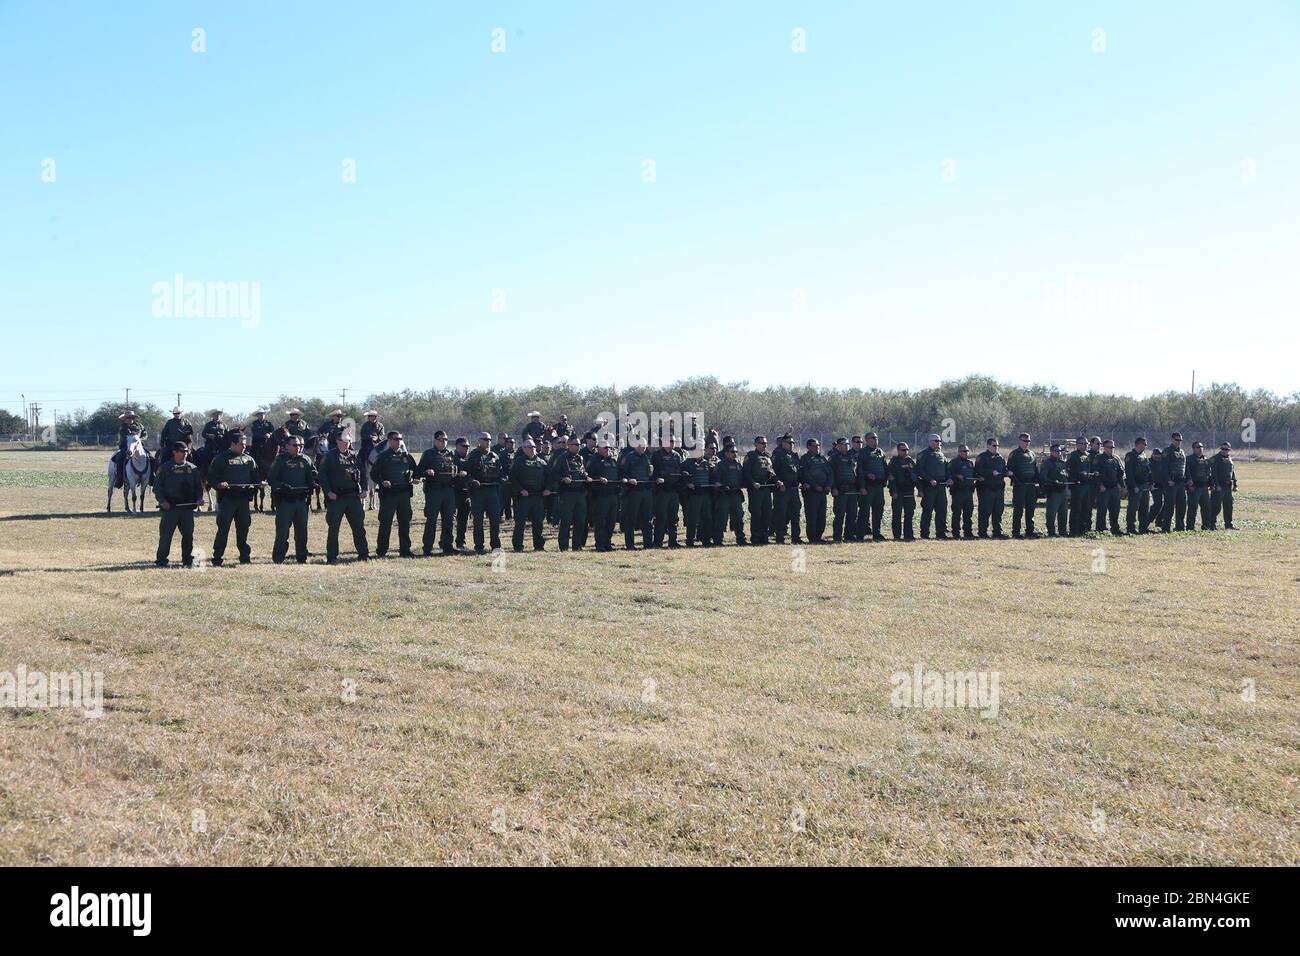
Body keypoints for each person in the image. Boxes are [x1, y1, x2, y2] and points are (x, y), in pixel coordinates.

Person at [207, 430, 263, 565]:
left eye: (245, 444)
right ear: (232, 444)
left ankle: (245, 557)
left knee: (244, 529)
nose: (244, 446)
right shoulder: (221, 458)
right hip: (227, 500)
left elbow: (255, 477)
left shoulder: (249, 459)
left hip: (243, 500)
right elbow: (211, 477)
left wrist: (259, 484)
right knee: (223, 530)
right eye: (241, 444)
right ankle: (217, 558)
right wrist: (219, 484)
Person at [320, 433, 370, 563]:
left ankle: (363, 554)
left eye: (348, 441)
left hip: (353, 496)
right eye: (343, 441)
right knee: (334, 528)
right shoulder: (329, 456)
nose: (346, 443)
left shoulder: (354, 455)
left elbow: (363, 473)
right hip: (337, 497)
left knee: (359, 526)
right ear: (337, 441)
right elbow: (322, 476)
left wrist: (365, 489)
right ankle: (332, 556)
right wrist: (328, 492)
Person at [153, 440, 204, 567]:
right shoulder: (165, 468)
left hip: (187, 508)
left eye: (187, 451)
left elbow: (199, 487)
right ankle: (161, 560)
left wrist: (199, 499)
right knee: (166, 535)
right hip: (170, 508)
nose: (185, 454)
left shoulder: (193, 469)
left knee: (188, 535)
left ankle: (187, 559)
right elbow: (157, 487)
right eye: (182, 451)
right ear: (174, 452)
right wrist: (163, 501)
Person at [268, 434, 317, 563]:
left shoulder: (306, 459)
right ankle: (279, 557)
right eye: (295, 445)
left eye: (301, 445)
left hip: (302, 501)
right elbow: (271, 479)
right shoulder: (280, 460)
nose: (298, 448)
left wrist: (314, 482)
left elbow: (313, 474)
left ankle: (302, 557)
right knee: (283, 532)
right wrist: (282, 486)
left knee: (302, 531)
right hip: (286, 501)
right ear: (287, 446)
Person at [371, 431, 417, 557]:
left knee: (405, 522)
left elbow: (417, 470)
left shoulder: (406, 456)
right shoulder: (382, 456)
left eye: (400, 439)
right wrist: (382, 481)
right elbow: (373, 474)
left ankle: (405, 550)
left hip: (404, 494)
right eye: (396, 439)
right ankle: (381, 550)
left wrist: (415, 478)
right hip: (389, 495)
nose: (398, 441)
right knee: (385, 523)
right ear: (389, 441)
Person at [416, 431, 460, 556]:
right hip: (434, 490)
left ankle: (447, 546)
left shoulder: (451, 454)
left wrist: (460, 473)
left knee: (449, 520)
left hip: (449, 490)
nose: (444, 442)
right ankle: (428, 548)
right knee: (432, 520)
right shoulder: (429, 454)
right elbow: (418, 471)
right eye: (441, 439)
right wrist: (426, 471)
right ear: (435, 440)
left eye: (445, 439)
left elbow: (459, 467)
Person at [465, 432, 504, 553]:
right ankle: (479, 546)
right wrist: (472, 481)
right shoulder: (473, 455)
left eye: (490, 439)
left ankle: (495, 545)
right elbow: (466, 474)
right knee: (478, 521)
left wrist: (503, 479)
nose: (488, 442)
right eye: (485, 439)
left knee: (495, 519)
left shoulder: (495, 456)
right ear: (479, 441)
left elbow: (500, 473)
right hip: (478, 492)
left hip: (492, 491)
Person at [510, 438, 550, 551]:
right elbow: (512, 479)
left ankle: (539, 546)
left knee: (538, 522)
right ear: (523, 449)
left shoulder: (542, 462)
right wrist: (520, 490)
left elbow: (549, 478)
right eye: (529, 447)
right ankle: (518, 546)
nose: (532, 449)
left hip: (538, 497)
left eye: (533, 447)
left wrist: (547, 489)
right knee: (520, 523)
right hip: (523, 498)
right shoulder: (518, 462)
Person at [551, 435, 590, 551]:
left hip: (580, 493)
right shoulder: (562, 458)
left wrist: (587, 477)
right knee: (566, 521)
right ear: (569, 445)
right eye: (576, 445)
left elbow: (583, 471)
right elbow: (553, 474)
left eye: (579, 445)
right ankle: (563, 546)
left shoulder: (580, 458)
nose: (579, 447)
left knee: (580, 520)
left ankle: (577, 545)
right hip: (567, 493)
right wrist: (563, 478)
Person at [742, 436, 779, 545]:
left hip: (766, 489)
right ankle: (755, 538)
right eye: (762, 443)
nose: (764, 445)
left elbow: (771, 471)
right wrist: (753, 483)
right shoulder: (751, 456)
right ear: (756, 444)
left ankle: (764, 537)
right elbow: (746, 472)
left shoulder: (768, 456)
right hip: (755, 490)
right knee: (757, 514)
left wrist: (777, 480)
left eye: (765, 443)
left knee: (767, 514)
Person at [587, 440, 622, 552]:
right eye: (605, 447)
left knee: (611, 521)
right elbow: (588, 477)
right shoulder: (594, 460)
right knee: (601, 521)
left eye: (609, 447)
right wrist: (598, 478)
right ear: (599, 448)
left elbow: (619, 473)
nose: (608, 449)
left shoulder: (613, 460)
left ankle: (608, 542)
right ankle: (600, 544)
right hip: (600, 495)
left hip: (613, 494)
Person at [651, 435, 686, 548]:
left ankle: (673, 541)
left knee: (673, 517)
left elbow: (679, 470)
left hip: (674, 490)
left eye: (674, 442)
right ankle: (658, 542)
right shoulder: (657, 455)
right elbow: (652, 471)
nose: (673, 443)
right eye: (671, 441)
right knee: (661, 517)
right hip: (662, 491)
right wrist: (656, 479)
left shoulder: (677, 456)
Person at [681, 440, 717, 547]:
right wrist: (688, 484)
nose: (700, 452)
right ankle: (690, 541)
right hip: (694, 496)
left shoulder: (707, 463)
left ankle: (706, 540)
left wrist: (715, 484)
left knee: (707, 518)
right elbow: (681, 477)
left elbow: (711, 477)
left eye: (701, 450)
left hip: (705, 495)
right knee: (692, 519)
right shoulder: (687, 463)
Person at [620, 437, 654, 550]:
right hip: (633, 492)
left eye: (644, 447)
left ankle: (648, 544)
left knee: (647, 519)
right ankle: (630, 545)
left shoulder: (646, 457)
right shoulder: (628, 457)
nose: (643, 449)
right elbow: (622, 473)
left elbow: (650, 472)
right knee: (631, 519)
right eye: (641, 447)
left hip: (645, 491)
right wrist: (629, 479)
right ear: (636, 446)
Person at [915, 434, 950, 540]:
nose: (938, 442)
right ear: (929, 442)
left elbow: (947, 469)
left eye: (939, 441)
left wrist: (949, 478)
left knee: (942, 510)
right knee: (928, 511)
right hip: (929, 487)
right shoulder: (923, 454)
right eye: (936, 441)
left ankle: (941, 533)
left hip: (941, 486)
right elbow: (920, 470)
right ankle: (925, 533)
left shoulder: (941, 454)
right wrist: (929, 479)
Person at [855, 432, 888, 542]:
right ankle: (860, 534)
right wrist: (862, 486)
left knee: (878, 511)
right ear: (867, 440)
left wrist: (887, 478)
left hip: (879, 486)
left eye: (876, 437)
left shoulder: (880, 452)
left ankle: (877, 533)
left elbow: (885, 467)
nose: (875, 439)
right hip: (868, 486)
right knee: (864, 511)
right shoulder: (863, 452)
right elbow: (859, 470)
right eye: (873, 438)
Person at [771, 434, 803, 545]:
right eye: (790, 443)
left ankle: (796, 537)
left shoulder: (794, 455)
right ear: (783, 443)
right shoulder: (778, 454)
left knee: (795, 513)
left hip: (794, 488)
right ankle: (780, 537)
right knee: (781, 513)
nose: (792, 445)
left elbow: (798, 471)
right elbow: (772, 471)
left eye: (793, 443)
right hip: (783, 489)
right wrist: (778, 482)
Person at [1006, 432, 1040, 538]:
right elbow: (1009, 470)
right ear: (1020, 441)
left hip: (1031, 486)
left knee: (1030, 509)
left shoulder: (1032, 454)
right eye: (1025, 441)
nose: (1027, 443)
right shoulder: (1014, 454)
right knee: (1018, 509)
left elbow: (1035, 468)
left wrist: (1037, 482)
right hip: (1020, 485)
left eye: (1028, 441)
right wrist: (1016, 480)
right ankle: (1016, 532)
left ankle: (1030, 531)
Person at [713, 440, 747, 546]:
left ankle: (741, 539)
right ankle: (718, 540)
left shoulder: (738, 465)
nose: (735, 454)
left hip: (736, 495)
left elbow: (743, 479)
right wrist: (722, 486)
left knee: (738, 519)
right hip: (724, 495)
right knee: (721, 519)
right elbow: (716, 480)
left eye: (736, 452)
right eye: (732, 452)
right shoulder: (720, 465)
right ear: (726, 453)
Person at [798, 439, 830, 544]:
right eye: (815, 446)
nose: (817, 447)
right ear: (808, 447)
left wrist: (828, 485)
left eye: (818, 445)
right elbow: (806, 474)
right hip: (811, 492)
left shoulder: (822, 458)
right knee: (812, 515)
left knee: (822, 515)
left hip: (822, 491)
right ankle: (812, 538)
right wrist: (815, 486)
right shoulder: (805, 459)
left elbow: (830, 472)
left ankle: (819, 536)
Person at [974, 438, 1007, 539]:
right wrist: (990, 472)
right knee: (985, 511)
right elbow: (978, 470)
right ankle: (982, 532)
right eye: (994, 445)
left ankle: (997, 532)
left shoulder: (1000, 458)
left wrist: (1007, 472)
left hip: (998, 488)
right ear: (988, 446)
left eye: (997, 446)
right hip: (986, 489)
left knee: (998, 511)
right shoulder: (982, 457)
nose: (996, 447)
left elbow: (1003, 469)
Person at [828, 437, 859, 543]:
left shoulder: (853, 457)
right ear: (838, 446)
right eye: (844, 444)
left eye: (847, 444)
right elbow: (831, 474)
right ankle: (837, 536)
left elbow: (857, 472)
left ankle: (849, 535)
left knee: (852, 514)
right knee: (840, 514)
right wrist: (834, 488)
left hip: (852, 489)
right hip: (841, 490)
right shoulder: (834, 458)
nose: (847, 446)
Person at [1093, 439, 1126, 535]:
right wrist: (1100, 485)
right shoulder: (1098, 458)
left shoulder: (1115, 459)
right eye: (1109, 447)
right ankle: (1100, 529)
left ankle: (1115, 528)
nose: (1111, 449)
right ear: (1104, 447)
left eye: (1113, 447)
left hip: (1114, 487)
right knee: (1102, 509)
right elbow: (1095, 474)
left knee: (1115, 509)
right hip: (1104, 488)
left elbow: (1120, 474)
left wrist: (1123, 486)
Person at [887, 443, 918, 541]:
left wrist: (920, 489)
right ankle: (897, 536)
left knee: (909, 514)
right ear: (898, 450)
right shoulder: (894, 461)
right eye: (903, 450)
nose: (905, 452)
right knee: (897, 514)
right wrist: (893, 492)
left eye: (907, 449)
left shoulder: (910, 461)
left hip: (909, 491)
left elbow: (916, 476)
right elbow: (891, 478)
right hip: (898, 491)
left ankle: (908, 535)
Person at [1039, 444, 1071, 538]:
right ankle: (1051, 532)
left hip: (1063, 491)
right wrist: (1053, 482)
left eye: (1060, 450)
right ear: (1052, 452)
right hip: (1053, 491)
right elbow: (1043, 477)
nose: (1059, 452)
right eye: (1057, 451)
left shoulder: (1062, 463)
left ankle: (1062, 531)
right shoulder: (1047, 463)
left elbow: (1066, 475)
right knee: (1051, 513)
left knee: (1063, 513)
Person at [947, 444, 978, 539]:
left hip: (968, 491)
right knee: (957, 512)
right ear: (959, 452)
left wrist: (978, 477)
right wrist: (956, 476)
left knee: (968, 512)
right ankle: (956, 532)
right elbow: (948, 473)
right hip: (958, 491)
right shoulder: (954, 462)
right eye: (964, 451)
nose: (966, 453)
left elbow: (974, 473)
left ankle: (968, 532)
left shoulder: (970, 463)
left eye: (967, 451)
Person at [1159, 432, 1188, 532]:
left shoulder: (1182, 452)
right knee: (1169, 506)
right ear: (1172, 439)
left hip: (1181, 483)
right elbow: (1164, 468)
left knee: (1182, 505)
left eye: (1180, 440)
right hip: (1171, 483)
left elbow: (1185, 467)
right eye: (1177, 440)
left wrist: (1188, 480)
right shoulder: (1167, 451)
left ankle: (1180, 526)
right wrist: (1168, 480)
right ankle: (1165, 527)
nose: (1178, 442)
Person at [1124, 438, 1152, 534]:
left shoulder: (1143, 455)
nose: (1146, 446)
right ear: (1139, 444)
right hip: (1135, 487)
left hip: (1144, 486)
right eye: (1145, 444)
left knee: (1144, 508)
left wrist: (1150, 482)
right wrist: (1133, 486)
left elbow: (1148, 470)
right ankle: (1131, 528)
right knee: (1133, 508)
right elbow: (1129, 473)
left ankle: (1143, 528)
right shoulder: (1130, 456)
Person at [1065, 437, 1092, 536]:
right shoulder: (1073, 456)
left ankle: (1083, 529)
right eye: (1082, 443)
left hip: (1086, 485)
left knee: (1086, 508)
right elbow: (1068, 470)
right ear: (1077, 444)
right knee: (1076, 508)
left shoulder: (1088, 455)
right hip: (1077, 485)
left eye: (1086, 443)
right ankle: (1074, 530)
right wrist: (1078, 475)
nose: (1085, 445)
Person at [1185, 441, 1213, 530]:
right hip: (1194, 487)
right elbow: (1186, 472)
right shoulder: (1189, 459)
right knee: (1193, 508)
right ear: (1193, 449)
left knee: (1206, 508)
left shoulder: (1205, 459)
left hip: (1204, 487)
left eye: (1201, 447)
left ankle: (1206, 525)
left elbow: (1209, 473)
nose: (1200, 448)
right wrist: (1189, 485)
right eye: (1198, 447)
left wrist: (1211, 484)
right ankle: (1190, 527)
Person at [1209, 442, 1237, 530]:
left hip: (1227, 486)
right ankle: (1212, 524)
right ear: (1220, 449)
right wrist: (1216, 485)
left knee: (1228, 506)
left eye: (1227, 449)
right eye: (1223, 449)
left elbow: (1232, 472)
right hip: (1219, 486)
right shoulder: (1215, 459)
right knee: (1216, 507)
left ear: (1229, 450)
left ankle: (1228, 524)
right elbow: (1213, 474)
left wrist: (1235, 483)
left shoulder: (1229, 459)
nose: (1224, 451)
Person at [452, 436, 472, 550]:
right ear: (457, 446)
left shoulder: (469, 459)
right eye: (464, 446)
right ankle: (445, 541)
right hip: (453, 491)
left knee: (464, 519)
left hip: (465, 493)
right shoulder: (451, 458)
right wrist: (458, 474)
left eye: (468, 446)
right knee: (450, 519)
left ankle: (461, 542)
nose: (467, 449)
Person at [1148, 447, 1168, 533]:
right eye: (1155, 455)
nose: (1157, 457)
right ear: (1152, 454)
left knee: (1167, 503)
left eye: (1159, 455)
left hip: (1163, 485)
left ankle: (1159, 521)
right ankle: (1148, 520)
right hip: (1154, 486)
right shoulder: (1148, 462)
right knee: (1158, 503)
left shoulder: (1163, 462)